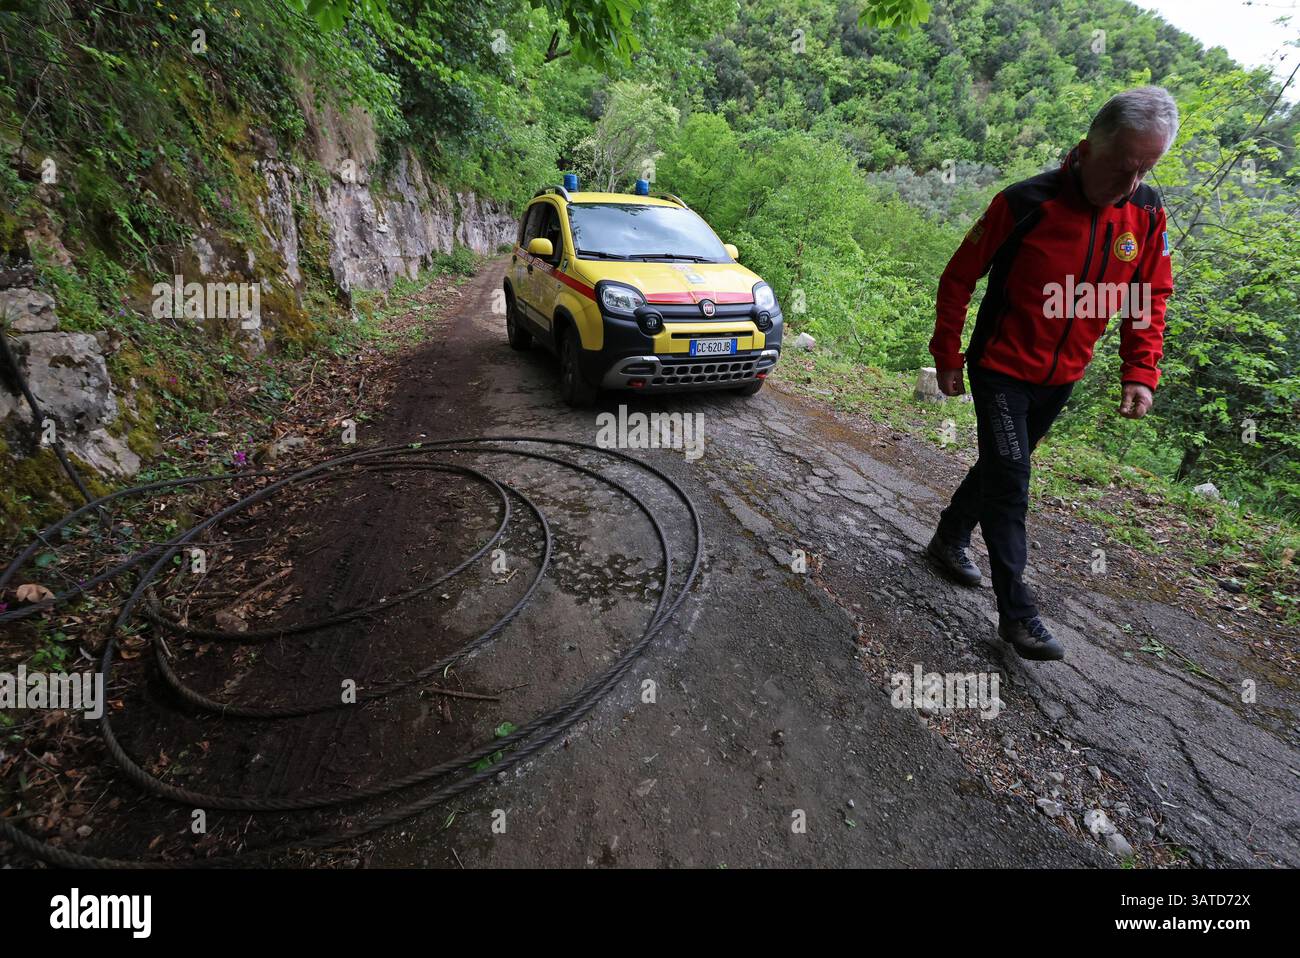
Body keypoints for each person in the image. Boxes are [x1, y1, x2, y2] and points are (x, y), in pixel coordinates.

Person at [925, 85, 1177, 662]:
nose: (1131, 182)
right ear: (1088, 148)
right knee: (1011, 480)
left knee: (1002, 465)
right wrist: (948, 354)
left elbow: (1150, 293)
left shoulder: (1146, 212)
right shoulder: (1025, 203)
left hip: (1063, 375)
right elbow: (959, 276)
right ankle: (1018, 613)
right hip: (1002, 367)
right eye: (1121, 166)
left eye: (1146, 168)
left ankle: (949, 536)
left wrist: (1140, 370)